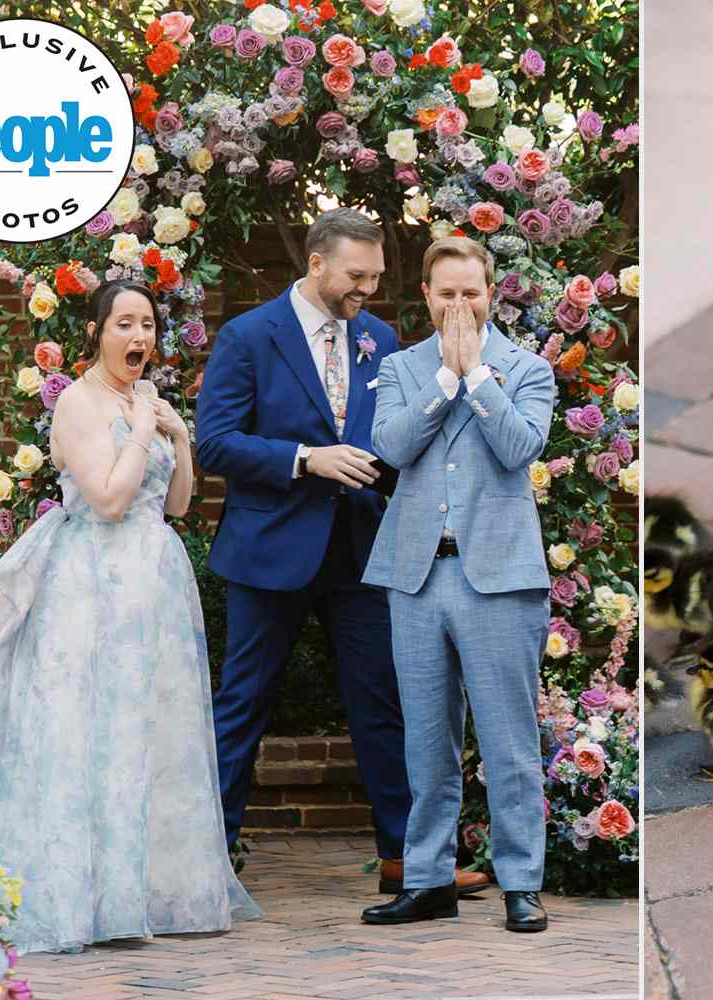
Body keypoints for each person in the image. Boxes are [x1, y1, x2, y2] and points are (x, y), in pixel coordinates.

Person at [0, 281, 260, 954]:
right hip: (92, 583)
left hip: (155, 582)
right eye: (124, 324)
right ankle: (83, 893)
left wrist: (181, 440)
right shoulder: (80, 406)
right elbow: (111, 499)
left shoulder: (139, 401)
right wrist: (149, 421)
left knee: (151, 728)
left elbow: (175, 505)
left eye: (147, 325)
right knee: (87, 727)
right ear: (96, 333)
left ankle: (151, 892)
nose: (138, 338)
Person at [195, 209, 490, 898]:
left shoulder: (379, 338)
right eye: (357, 276)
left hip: (359, 547)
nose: (368, 290)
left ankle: (409, 861)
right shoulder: (248, 337)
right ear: (318, 263)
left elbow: (388, 442)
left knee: (383, 703)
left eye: (377, 277)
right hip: (271, 550)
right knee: (243, 704)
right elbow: (214, 444)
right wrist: (306, 459)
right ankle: (207, 859)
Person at [360, 237, 556, 933]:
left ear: (492, 291)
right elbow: (391, 447)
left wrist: (475, 377)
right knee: (426, 742)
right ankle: (427, 879)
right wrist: (444, 381)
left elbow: (519, 448)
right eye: (446, 293)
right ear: (426, 295)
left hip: (498, 578)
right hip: (415, 576)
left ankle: (521, 882)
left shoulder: (526, 369)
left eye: (470, 292)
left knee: (508, 741)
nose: (459, 305)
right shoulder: (401, 368)